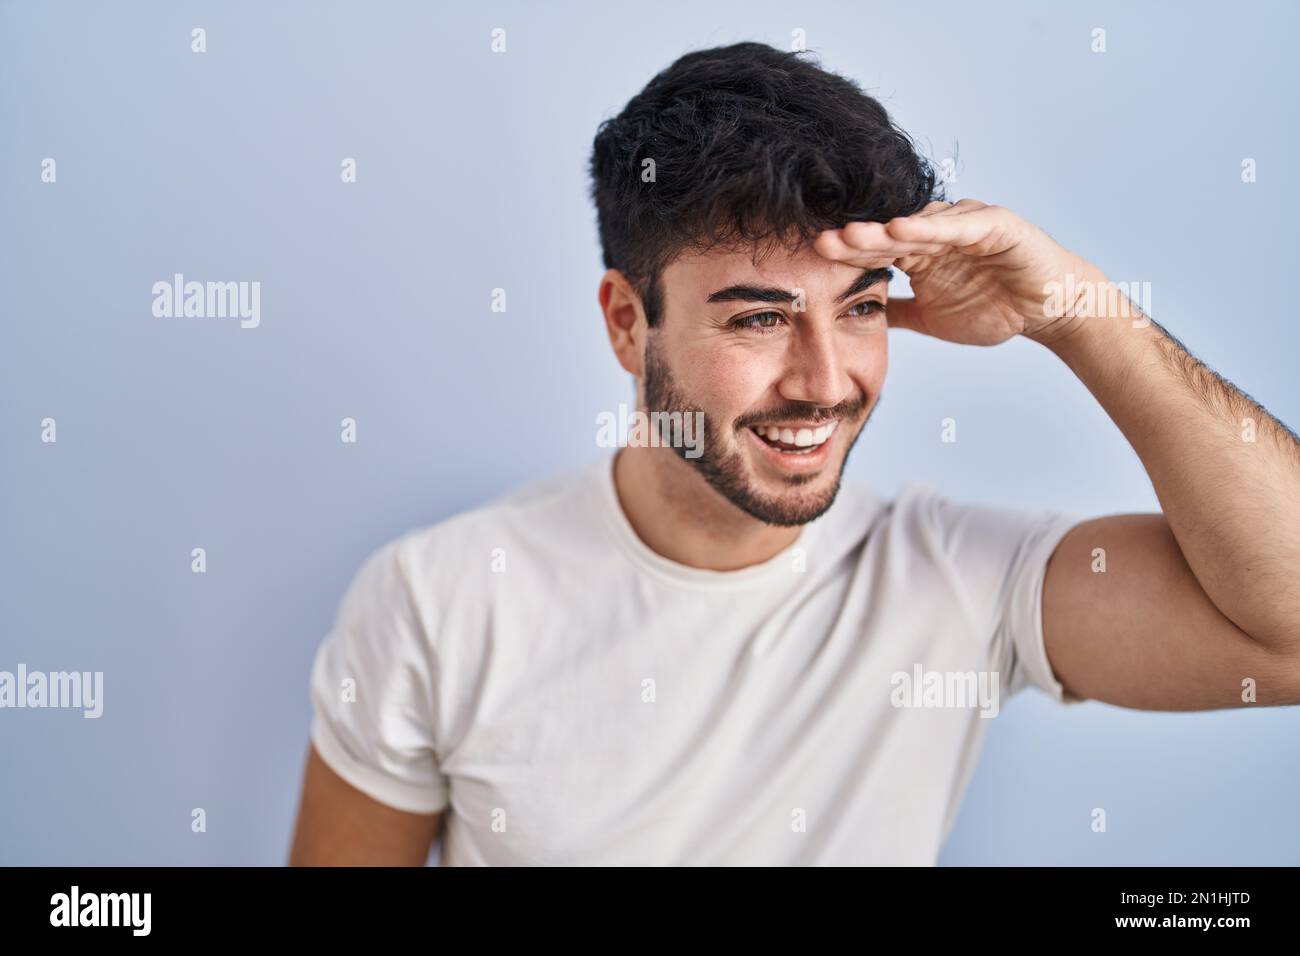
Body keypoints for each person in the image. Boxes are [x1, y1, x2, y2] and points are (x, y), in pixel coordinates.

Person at [289, 41, 1300, 866]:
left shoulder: (960, 581)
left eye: (860, 308)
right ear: (625, 323)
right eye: (758, 319)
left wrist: (1071, 308)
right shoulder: (440, 599)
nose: (823, 379)